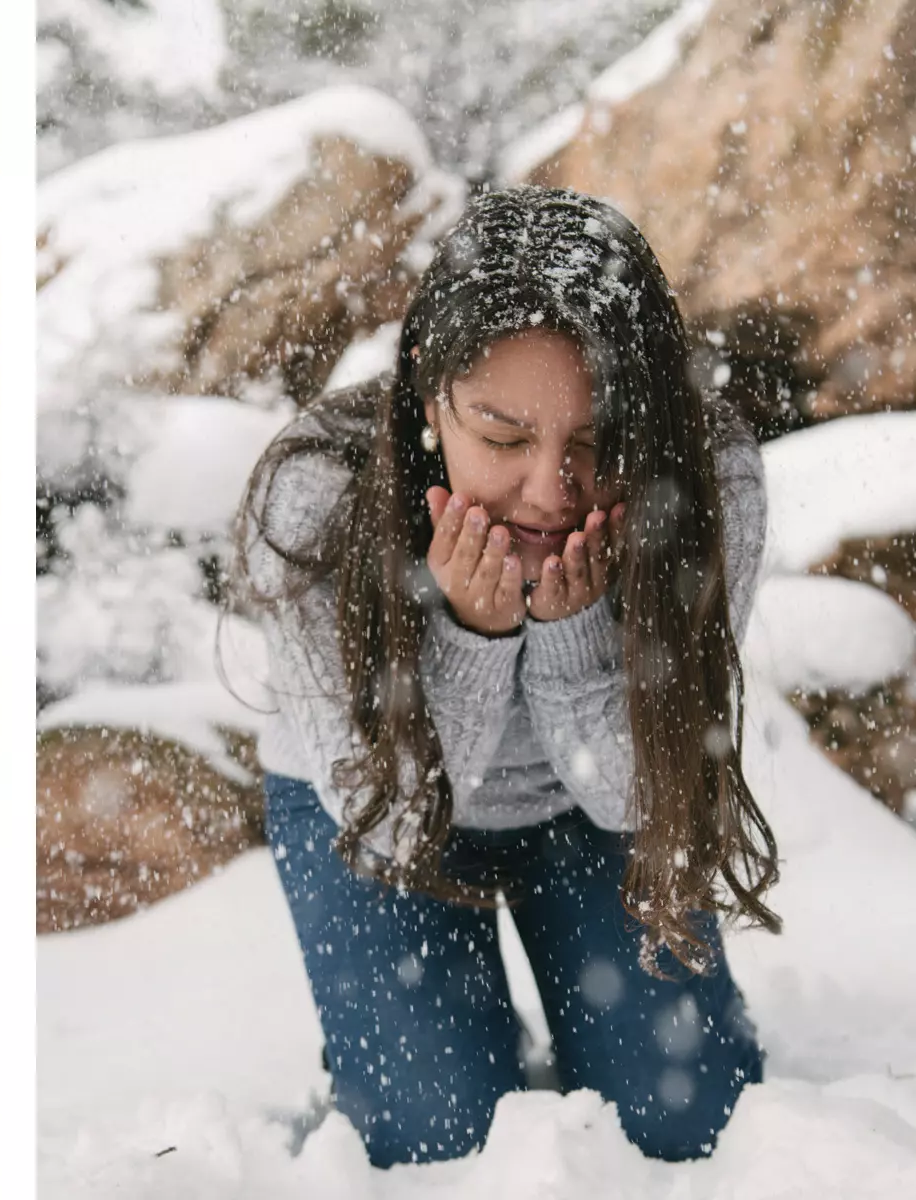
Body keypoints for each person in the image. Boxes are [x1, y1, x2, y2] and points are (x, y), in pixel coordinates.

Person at [232, 186, 781, 1168]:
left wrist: (572, 640)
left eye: (595, 441)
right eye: (504, 435)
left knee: (685, 1126)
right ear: (430, 400)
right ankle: (447, 1048)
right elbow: (389, 817)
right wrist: (472, 635)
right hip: (370, 811)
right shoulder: (314, 489)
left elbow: (634, 797)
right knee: (433, 1140)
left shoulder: (709, 467)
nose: (549, 494)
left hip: (597, 809)